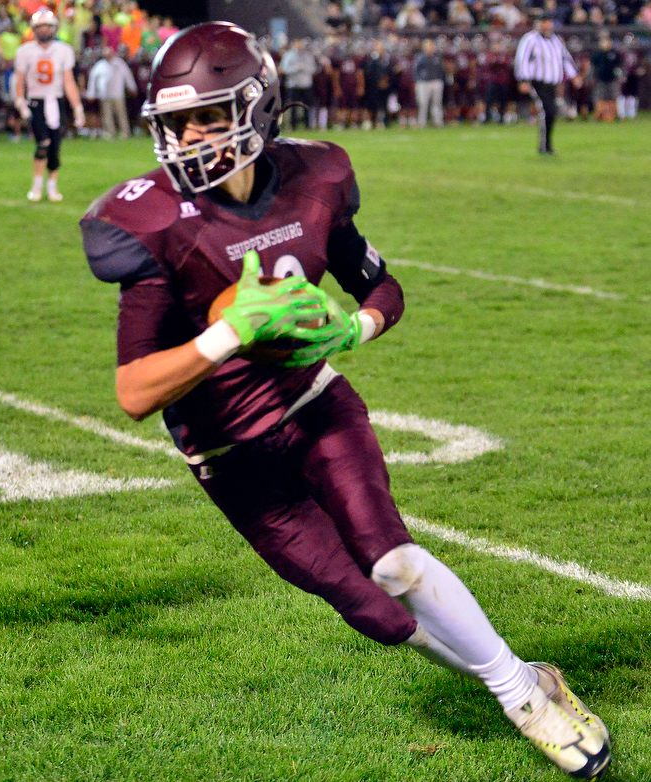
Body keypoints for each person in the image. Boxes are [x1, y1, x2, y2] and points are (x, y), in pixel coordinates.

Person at [80, 22, 611, 780]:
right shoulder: (152, 220)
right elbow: (133, 391)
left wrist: (353, 328)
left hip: (317, 406)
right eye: (176, 122)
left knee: (393, 563)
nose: (188, 137)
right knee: (377, 615)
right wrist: (228, 334)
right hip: (229, 454)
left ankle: (521, 700)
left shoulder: (314, 177)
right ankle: (527, 677)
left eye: (207, 116)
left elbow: (381, 286)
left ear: (258, 107)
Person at [14, 6, 85, 202]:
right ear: (34, 29)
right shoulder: (25, 51)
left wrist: (77, 107)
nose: (44, 30)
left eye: (47, 26)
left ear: (54, 28)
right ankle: (37, 186)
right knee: (42, 143)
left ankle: (52, 187)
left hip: (56, 101)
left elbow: (68, 81)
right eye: (40, 27)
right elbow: (19, 80)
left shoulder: (63, 50)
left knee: (55, 147)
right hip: (36, 102)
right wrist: (20, 101)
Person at [514, 12, 581, 154]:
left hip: (552, 84)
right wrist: (523, 79)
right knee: (547, 111)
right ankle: (545, 146)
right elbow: (522, 59)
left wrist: (574, 75)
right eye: (543, 22)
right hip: (537, 82)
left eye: (548, 22)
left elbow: (565, 59)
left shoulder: (556, 40)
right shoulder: (530, 39)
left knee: (551, 112)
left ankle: (546, 145)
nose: (546, 25)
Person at [86, 44, 138, 139]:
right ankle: (110, 132)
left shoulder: (119, 63)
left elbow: (128, 76)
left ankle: (125, 132)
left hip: (118, 93)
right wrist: (91, 93)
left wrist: (132, 88)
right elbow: (93, 80)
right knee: (107, 115)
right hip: (104, 94)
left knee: (121, 114)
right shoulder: (100, 65)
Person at [414, 37, 445, 128]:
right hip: (424, 82)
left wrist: (441, 79)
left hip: (436, 81)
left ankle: (438, 122)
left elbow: (441, 70)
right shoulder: (420, 57)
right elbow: (416, 70)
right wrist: (417, 81)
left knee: (437, 103)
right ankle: (421, 122)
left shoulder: (437, 57)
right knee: (423, 103)